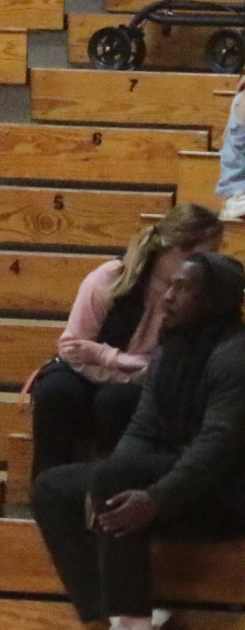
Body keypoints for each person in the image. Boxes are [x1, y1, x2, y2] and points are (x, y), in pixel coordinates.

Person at [32, 251, 245, 630]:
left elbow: (217, 447)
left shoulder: (235, 355)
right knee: (53, 487)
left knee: (117, 474)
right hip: (185, 484)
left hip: (229, 490)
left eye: (183, 289)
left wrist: (155, 498)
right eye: (169, 286)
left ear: (214, 301)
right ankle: (124, 619)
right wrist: (104, 485)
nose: (167, 298)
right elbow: (144, 428)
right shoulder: (170, 353)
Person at [28, 204, 222, 483]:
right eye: (197, 257)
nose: (206, 268)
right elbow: (72, 349)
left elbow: (171, 366)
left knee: (116, 401)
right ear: (170, 249)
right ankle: (45, 485)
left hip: (143, 383)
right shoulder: (109, 278)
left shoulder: (199, 300)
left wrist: (105, 356)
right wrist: (122, 367)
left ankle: (109, 488)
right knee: (56, 391)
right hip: (87, 372)